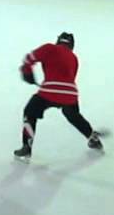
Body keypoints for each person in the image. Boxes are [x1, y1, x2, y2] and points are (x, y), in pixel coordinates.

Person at [14, 32, 104, 160]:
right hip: (71, 93)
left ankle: (26, 146)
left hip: (50, 91)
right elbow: (68, 78)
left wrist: (27, 73)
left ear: (58, 41)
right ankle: (93, 138)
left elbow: (28, 59)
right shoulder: (74, 58)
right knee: (74, 116)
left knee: (30, 112)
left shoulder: (50, 48)